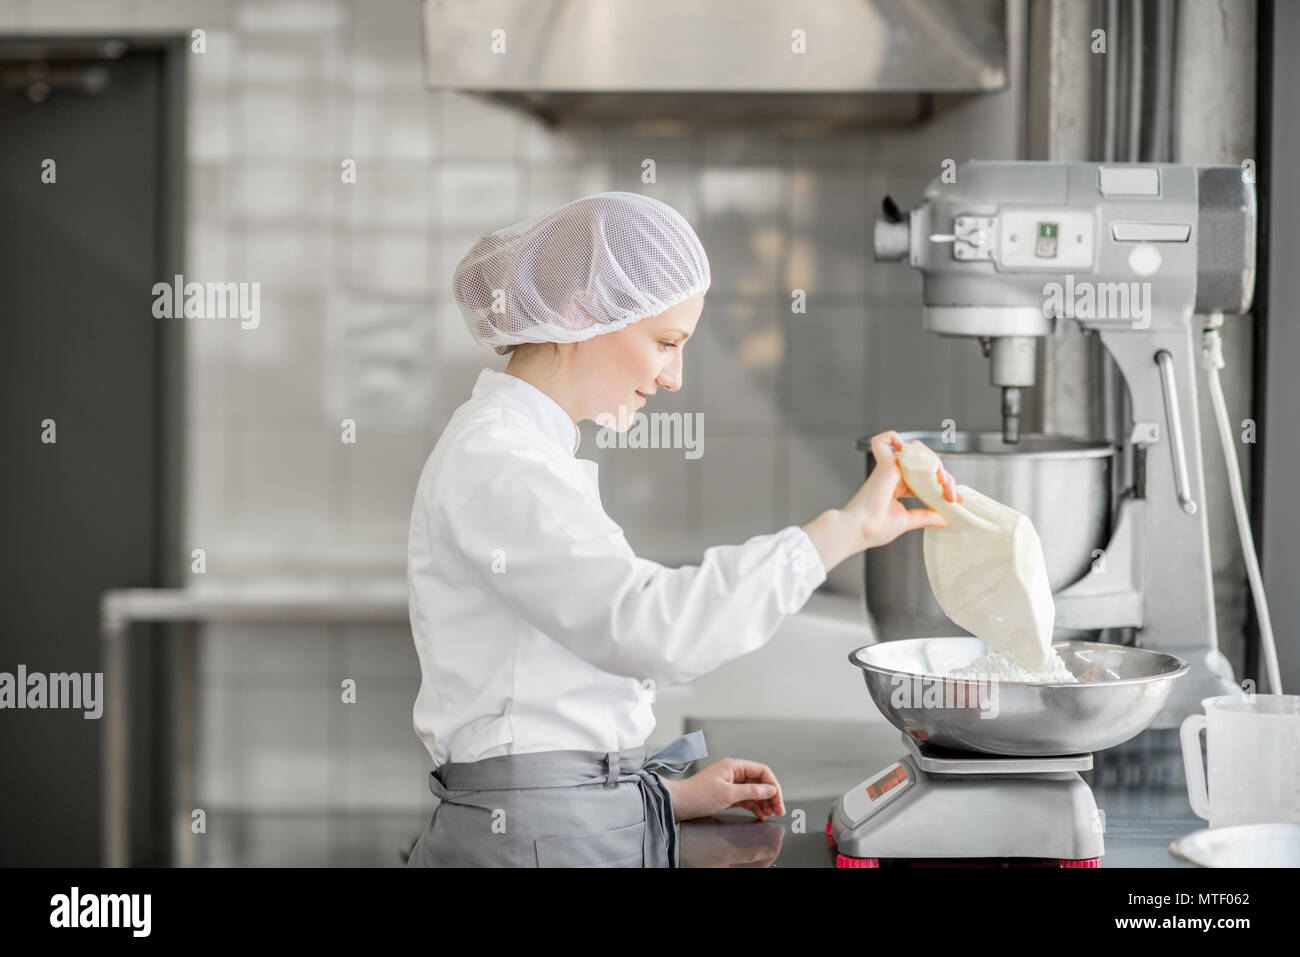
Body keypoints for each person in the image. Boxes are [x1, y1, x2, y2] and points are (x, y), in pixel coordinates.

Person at [404, 192, 960, 867]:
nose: (673, 378)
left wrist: (664, 798)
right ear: (582, 311)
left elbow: (552, 701)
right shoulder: (498, 461)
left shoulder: (525, 449)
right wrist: (838, 532)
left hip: (565, 828)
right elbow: (649, 627)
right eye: (666, 343)